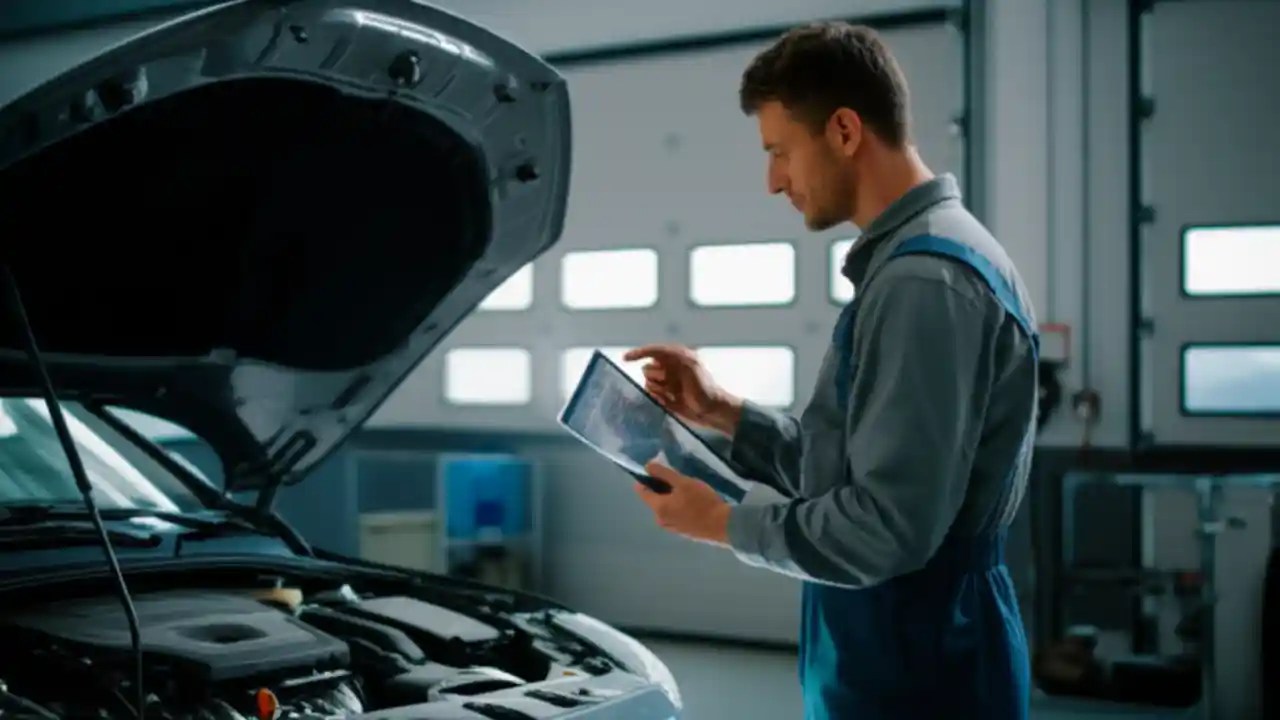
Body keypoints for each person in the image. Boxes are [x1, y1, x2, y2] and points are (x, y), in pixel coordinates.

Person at [625, 21, 1038, 720]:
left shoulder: (923, 282)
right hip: (902, 641)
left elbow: (886, 527)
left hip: (921, 661)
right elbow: (851, 468)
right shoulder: (916, 264)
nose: (773, 181)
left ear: (844, 131)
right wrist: (723, 411)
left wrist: (725, 523)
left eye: (780, 151)